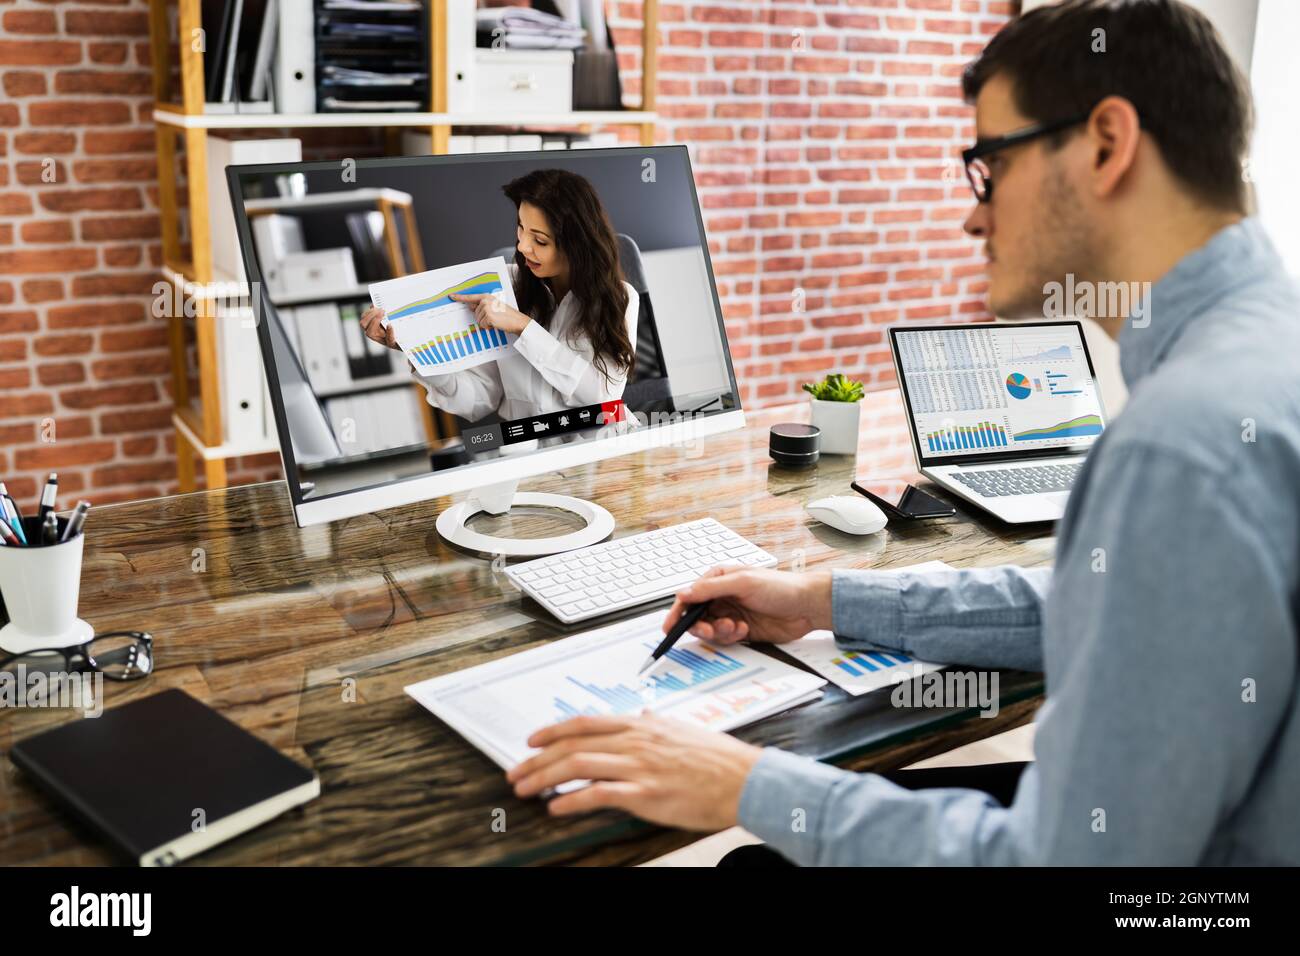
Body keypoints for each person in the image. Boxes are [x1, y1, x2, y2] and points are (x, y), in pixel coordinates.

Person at [503, 0, 1300, 865]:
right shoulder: (1263, 351)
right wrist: (822, 603)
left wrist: (743, 784)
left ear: (1107, 145)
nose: (973, 216)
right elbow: (1103, 611)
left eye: (989, 165)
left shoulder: (1182, 447)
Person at [360, 168, 638, 425]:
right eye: (521, 228)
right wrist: (418, 351)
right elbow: (480, 400)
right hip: (527, 454)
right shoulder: (506, 286)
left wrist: (523, 327)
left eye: (540, 240)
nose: (523, 246)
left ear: (576, 244)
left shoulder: (620, 298)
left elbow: (604, 398)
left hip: (598, 452)